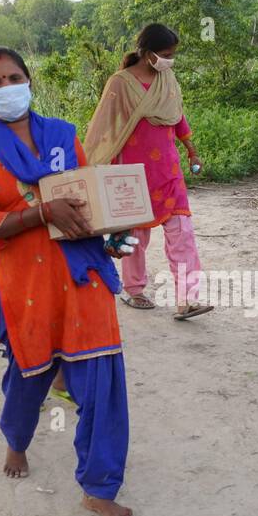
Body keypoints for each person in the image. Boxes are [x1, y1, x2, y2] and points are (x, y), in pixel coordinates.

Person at [0, 47, 134, 516]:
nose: (6, 87)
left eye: (14, 77)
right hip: (25, 281)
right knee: (28, 374)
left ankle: (98, 488)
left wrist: (113, 235)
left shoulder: (62, 134)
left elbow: (87, 200)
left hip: (82, 273)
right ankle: (17, 439)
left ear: (29, 81)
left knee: (102, 380)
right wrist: (41, 213)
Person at [84, 22, 212, 321]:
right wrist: (97, 164)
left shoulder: (167, 78)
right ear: (146, 52)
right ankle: (134, 289)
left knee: (182, 233)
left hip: (168, 169)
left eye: (172, 54)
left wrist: (191, 149)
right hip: (132, 171)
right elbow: (105, 124)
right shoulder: (120, 82)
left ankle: (187, 299)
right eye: (165, 54)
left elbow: (177, 115)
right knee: (135, 235)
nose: (169, 60)